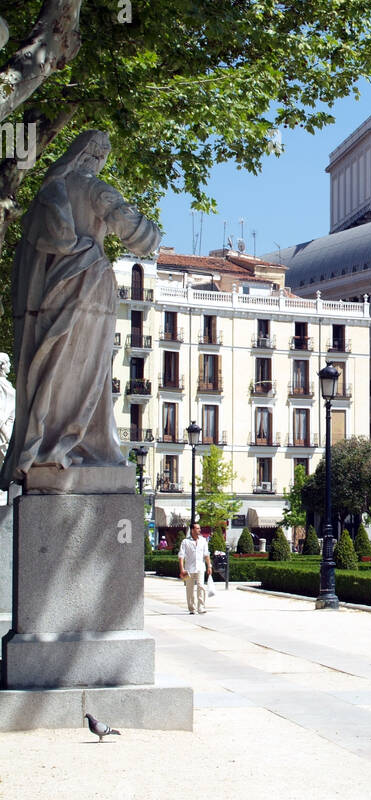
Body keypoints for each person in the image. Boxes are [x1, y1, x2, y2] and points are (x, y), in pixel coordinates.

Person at [0, 131, 161, 488]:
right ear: (97, 156)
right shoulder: (94, 188)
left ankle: (45, 444)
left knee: (53, 370)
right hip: (89, 286)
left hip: (50, 294)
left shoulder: (49, 192)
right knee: (90, 371)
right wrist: (152, 232)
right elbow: (139, 237)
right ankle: (86, 445)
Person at [178, 522, 212, 615]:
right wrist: (182, 570)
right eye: (197, 528)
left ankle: (201, 607)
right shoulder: (185, 542)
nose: (199, 530)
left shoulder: (203, 541)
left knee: (201, 586)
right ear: (192, 530)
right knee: (190, 589)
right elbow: (181, 556)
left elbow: (206, 555)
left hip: (200, 568)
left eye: (199, 528)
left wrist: (209, 566)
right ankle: (192, 608)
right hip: (189, 569)